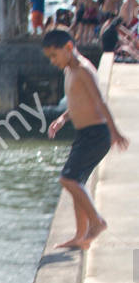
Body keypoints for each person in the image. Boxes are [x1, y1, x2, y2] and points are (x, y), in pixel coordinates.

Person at [42, 28, 129, 249]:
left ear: (69, 48)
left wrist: (115, 131)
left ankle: (97, 222)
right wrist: (62, 119)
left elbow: (99, 101)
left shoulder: (83, 70)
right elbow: (76, 102)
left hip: (96, 134)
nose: (52, 61)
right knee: (76, 183)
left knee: (67, 179)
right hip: (85, 134)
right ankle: (81, 238)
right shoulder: (68, 70)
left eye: (54, 55)